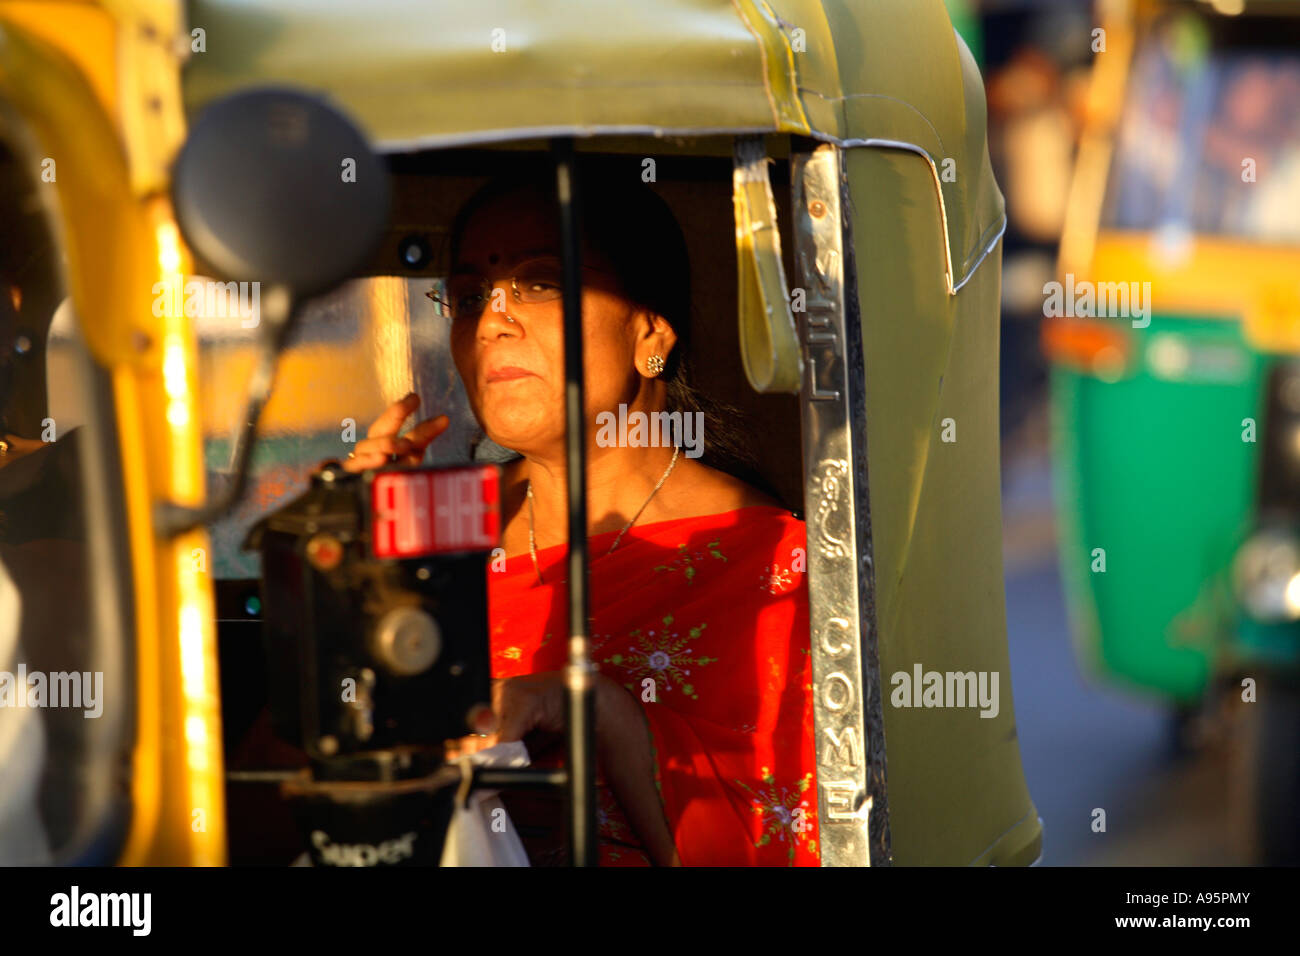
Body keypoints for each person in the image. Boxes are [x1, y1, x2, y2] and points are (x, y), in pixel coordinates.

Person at [344, 167, 818, 866]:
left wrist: (596, 711)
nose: (493, 321)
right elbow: (277, 801)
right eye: (471, 295)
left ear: (650, 332)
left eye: (540, 282)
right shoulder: (429, 529)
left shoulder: (771, 561)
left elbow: (797, 840)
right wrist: (349, 565)